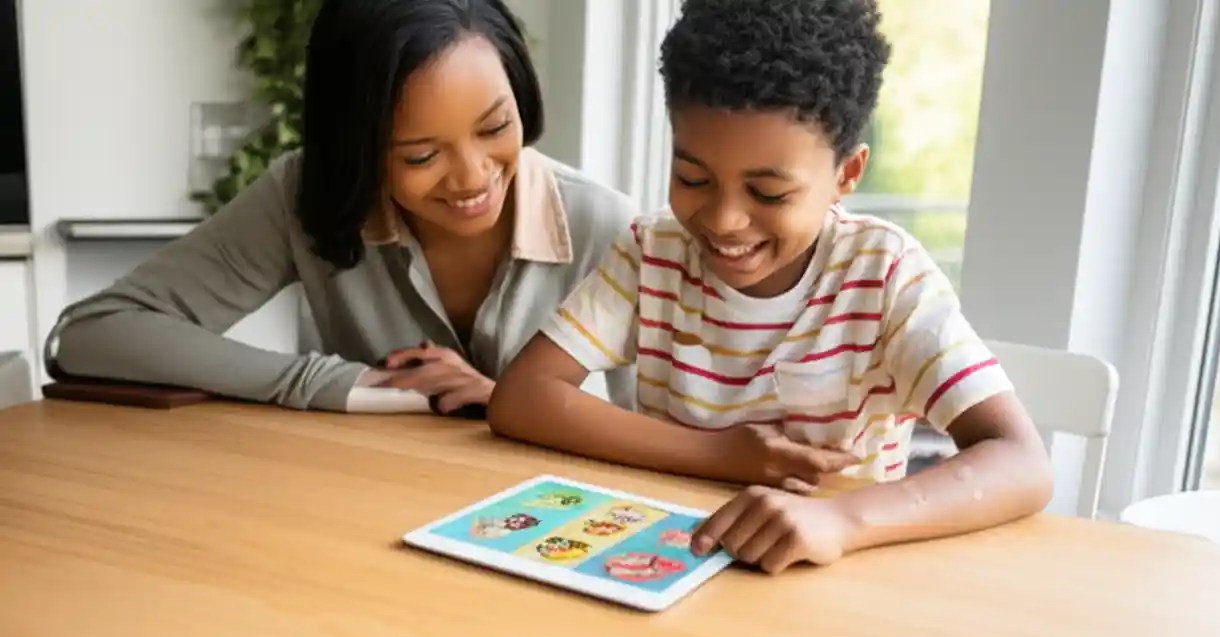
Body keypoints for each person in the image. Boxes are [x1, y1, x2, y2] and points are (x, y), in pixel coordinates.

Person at [488, 0, 1052, 573]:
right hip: (671, 560)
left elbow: (1022, 463)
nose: (724, 220)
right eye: (692, 178)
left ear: (846, 175)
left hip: (832, 575)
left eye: (769, 194)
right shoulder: (651, 253)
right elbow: (522, 398)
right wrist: (723, 457)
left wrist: (841, 520)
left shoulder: (883, 274)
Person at [45, 0, 635, 415]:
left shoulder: (606, 228)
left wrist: (507, 401)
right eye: (421, 155)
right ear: (356, 147)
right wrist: (325, 380)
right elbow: (89, 336)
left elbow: (668, 443)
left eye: (495, 127)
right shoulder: (307, 194)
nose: (473, 176)